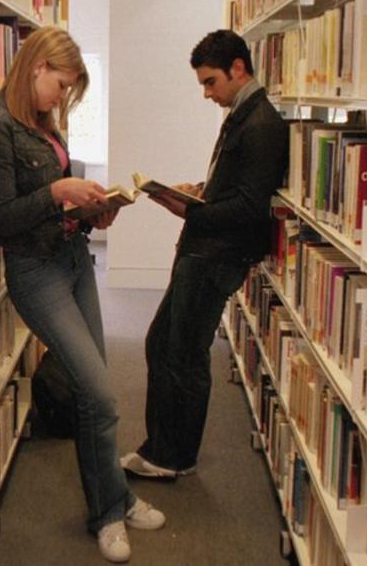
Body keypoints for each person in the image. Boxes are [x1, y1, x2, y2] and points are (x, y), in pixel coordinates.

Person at [0, 26, 166, 562]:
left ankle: (116, 497)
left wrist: (90, 212)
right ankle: (108, 513)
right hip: (36, 272)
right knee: (101, 394)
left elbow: (54, 204)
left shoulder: (42, 122)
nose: (62, 97)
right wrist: (56, 191)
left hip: (74, 258)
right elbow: (1, 218)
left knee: (93, 393)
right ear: (36, 67)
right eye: (60, 85)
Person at [122, 29, 289, 479]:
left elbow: (249, 208)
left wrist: (191, 210)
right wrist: (198, 192)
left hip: (216, 257)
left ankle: (173, 457)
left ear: (239, 68)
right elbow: (234, 189)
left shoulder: (263, 124)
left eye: (211, 82)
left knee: (184, 355)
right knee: (164, 344)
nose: (207, 93)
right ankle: (162, 448)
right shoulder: (243, 114)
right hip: (202, 251)